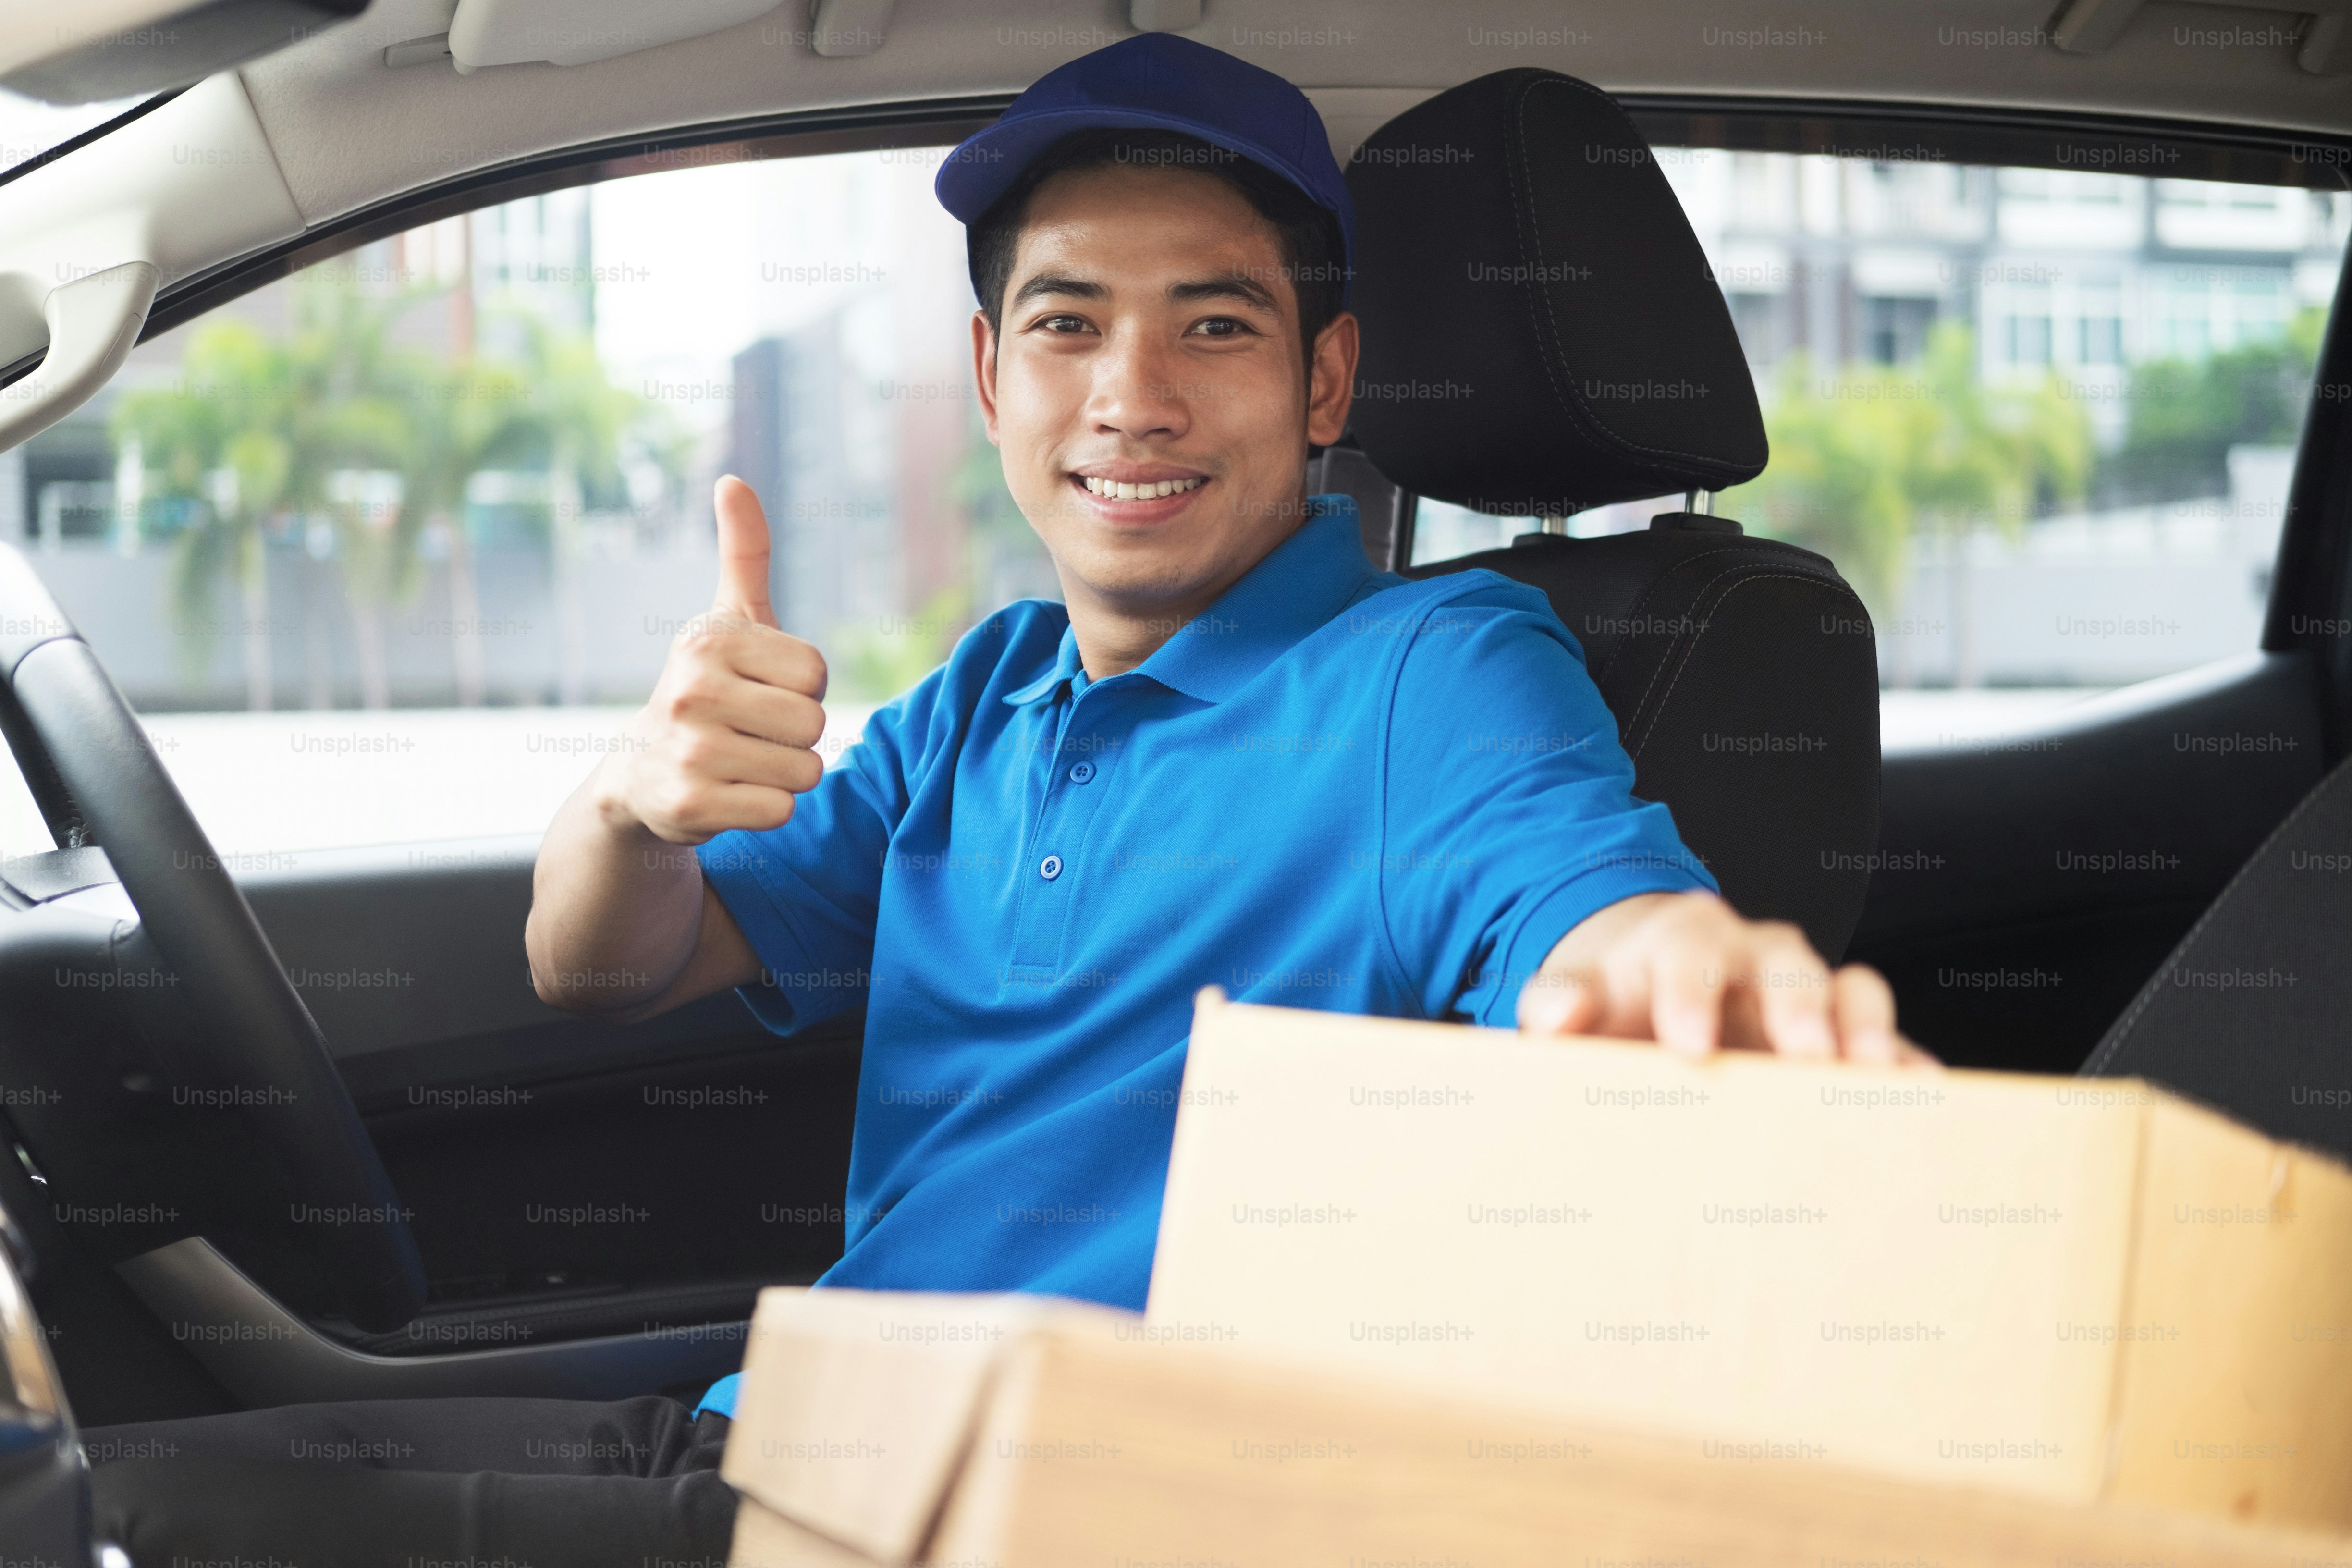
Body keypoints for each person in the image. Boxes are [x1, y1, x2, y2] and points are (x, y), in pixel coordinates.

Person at [86, 32, 1926, 1566]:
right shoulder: (987, 688)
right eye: (1066, 325)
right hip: (781, 1433)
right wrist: (632, 814)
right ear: (991, 373)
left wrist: (1682, 968)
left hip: (1012, 1512)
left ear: (1325, 381)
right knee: (84, 1486)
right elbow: (605, 973)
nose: (1130, 398)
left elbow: (1573, 881)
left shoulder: (1439, 669)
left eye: (1216, 328)